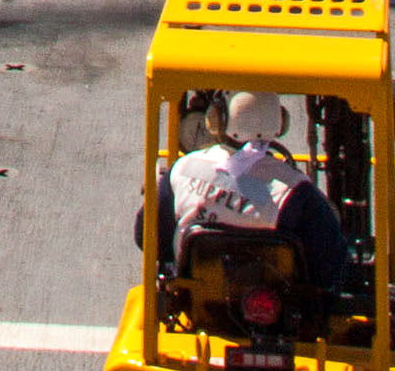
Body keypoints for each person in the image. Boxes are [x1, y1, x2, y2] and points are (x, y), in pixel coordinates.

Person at [148, 90, 347, 293]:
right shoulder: (296, 192)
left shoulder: (182, 169)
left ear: (217, 119)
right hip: (277, 314)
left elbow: (146, 236)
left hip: (193, 303)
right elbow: (329, 266)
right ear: (279, 123)